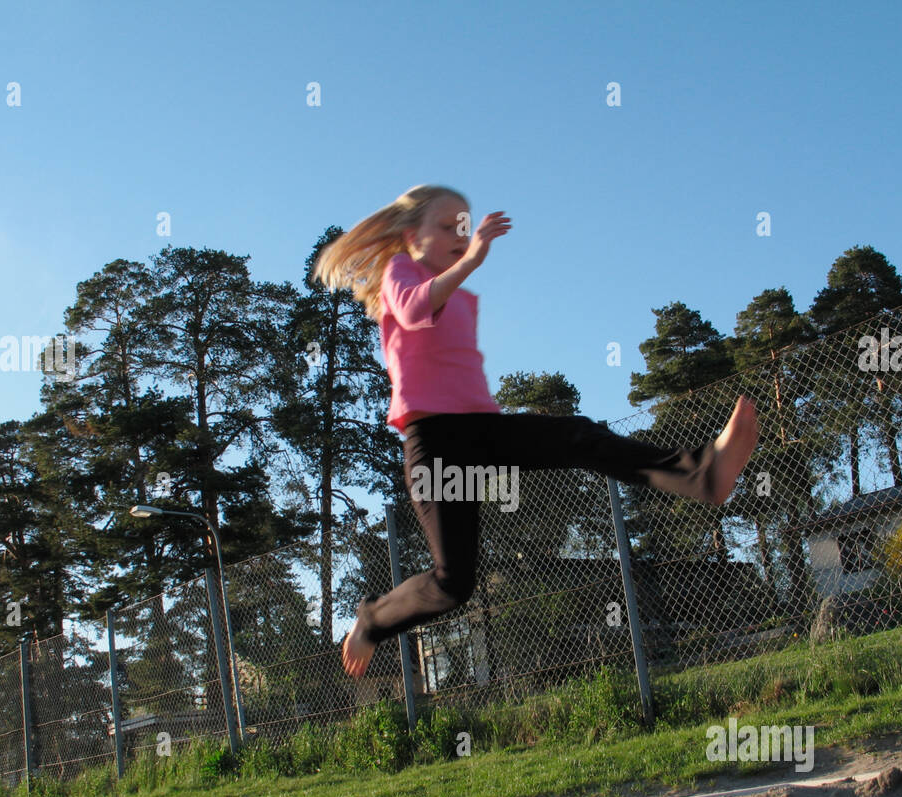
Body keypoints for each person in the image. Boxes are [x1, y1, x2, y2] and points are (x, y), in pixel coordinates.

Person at [311, 184, 758, 678]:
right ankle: (372, 618)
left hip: (482, 433)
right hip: (434, 446)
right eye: (449, 227)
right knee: (454, 584)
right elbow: (414, 310)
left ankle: (704, 474)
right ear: (411, 234)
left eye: (467, 226)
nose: (463, 235)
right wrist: (472, 260)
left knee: (576, 436)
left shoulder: (460, 298)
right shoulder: (403, 272)